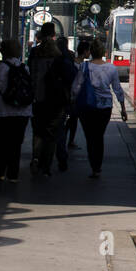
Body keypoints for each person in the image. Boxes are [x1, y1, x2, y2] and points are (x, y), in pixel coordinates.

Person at [70, 39, 127, 177]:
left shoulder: (84, 67)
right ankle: (97, 167)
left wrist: (72, 100)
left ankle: (93, 164)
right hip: (104, 107)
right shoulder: (111, 68)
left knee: (90, 137)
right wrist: (123, 107)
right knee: (99, 136)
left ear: (91, 53)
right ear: (103, 52)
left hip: (86, 107)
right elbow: (118, 89)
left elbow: (76, 87)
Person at [28, 22, 70, 176]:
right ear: (54, 35)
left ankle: (36, 158)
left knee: (38, 132)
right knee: (51, 135)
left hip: (37, 98)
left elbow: (30, 73)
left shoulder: (34, 53)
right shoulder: (59, 54)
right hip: (55, 101)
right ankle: (46, 167)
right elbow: (67, 76)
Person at [0, 37, 33, 181]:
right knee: (16, 144)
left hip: (0, 111)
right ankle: (13, 174)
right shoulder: (24, 68)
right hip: (22, 112)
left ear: (3, 51)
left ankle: (0, 171)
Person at [53, 36, 79, 173]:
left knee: (43, 132)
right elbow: (74, 79)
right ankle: (62, 159)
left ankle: (40, 159)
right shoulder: (68, 58)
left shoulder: (50, 58)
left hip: (46, 99)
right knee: (60, 130)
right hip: (63, 99)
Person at [66, 38, 91, 149]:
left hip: (74, 95)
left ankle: (68, 140)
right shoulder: (81, 65)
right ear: (85, 51)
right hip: (75, 96)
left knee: (72, 119)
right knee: (72, 119)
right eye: (88, 51)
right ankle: (68, 140)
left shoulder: (75, 62)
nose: (89, 53)